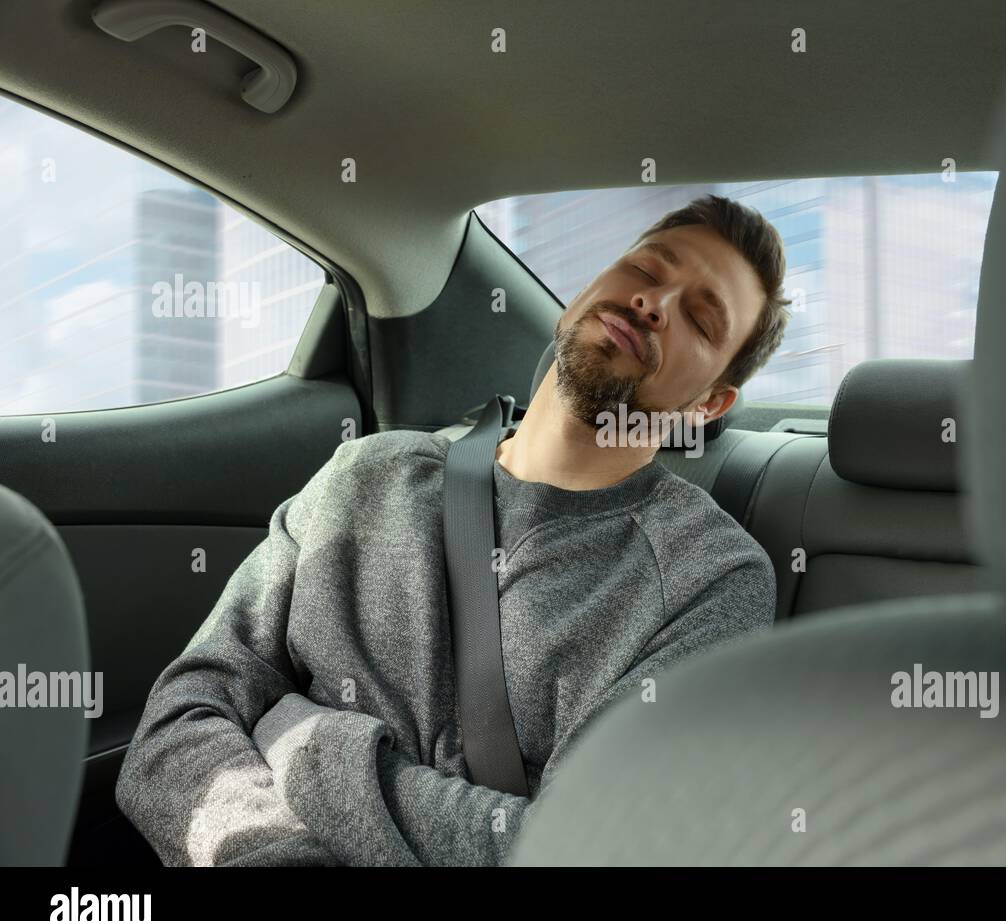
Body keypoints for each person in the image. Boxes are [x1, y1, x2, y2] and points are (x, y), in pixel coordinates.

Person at [115, 194, 791, 866]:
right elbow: (180, 716)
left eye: (700, 318)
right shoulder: (366, 471)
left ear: (709, 404)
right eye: (645, 270)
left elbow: (580, 846)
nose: (655, 303)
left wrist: (302, 736)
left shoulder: (711, 575)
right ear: (587, 289)